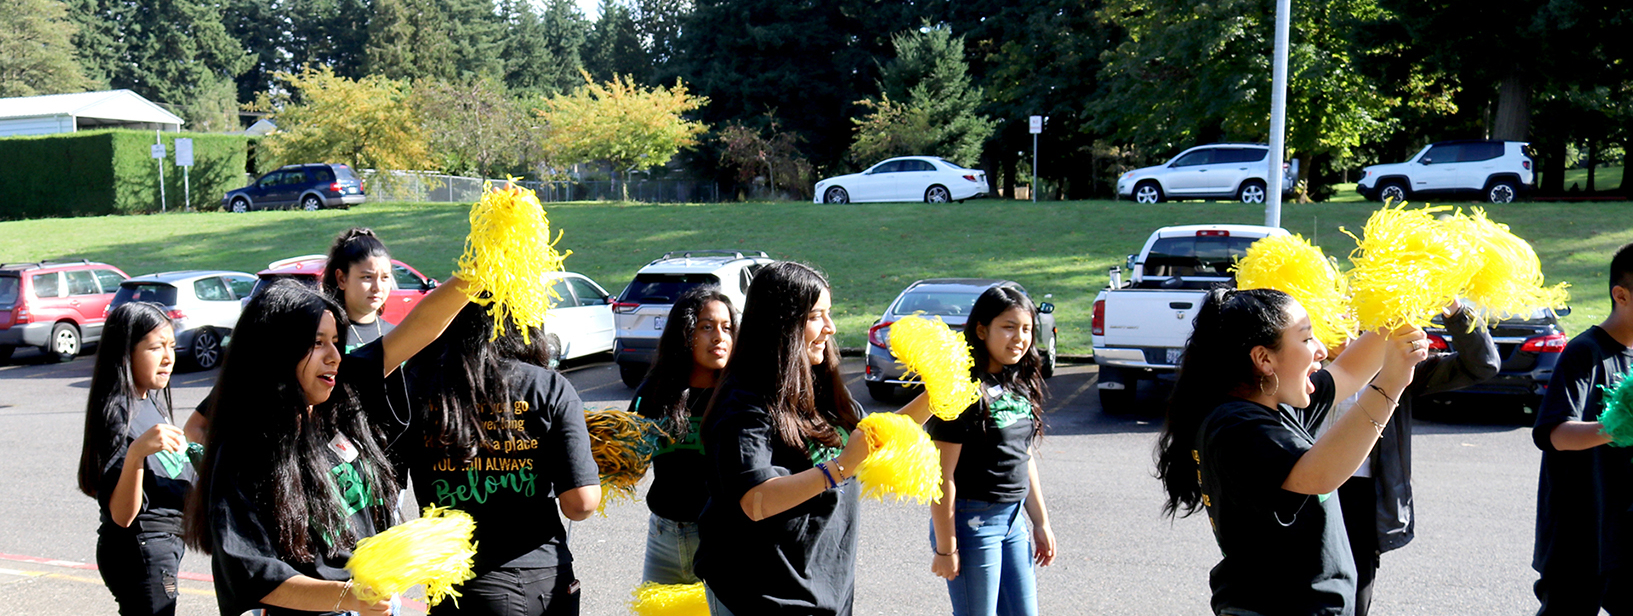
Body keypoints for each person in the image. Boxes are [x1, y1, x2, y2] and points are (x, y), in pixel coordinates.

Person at [183, 276, 470, 616]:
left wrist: (479, 272)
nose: (335, 356)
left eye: (335, 341)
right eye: (317, 343)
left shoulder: (340, 395)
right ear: (276, 352)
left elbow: (421, 326)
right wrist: (347, 597)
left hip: (371, 601)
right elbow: (252, 574)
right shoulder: (244, 452)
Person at [1155, 288, 1428, 615]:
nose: (1321, 350)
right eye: (1307, 339)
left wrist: (1402, 300)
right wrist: (1392, 382)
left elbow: (1348, 372)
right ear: (1264, 359)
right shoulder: (1235, 425)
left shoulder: (1274, 405)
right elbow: (1319, 475)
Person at [694, 261, 929, 616]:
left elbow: (876, 438)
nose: (830, 328)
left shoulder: (821, 387)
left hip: (824, 589)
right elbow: (755, 501)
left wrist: (938, 397)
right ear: (781, 323)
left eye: (828, 314)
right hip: (760, 594)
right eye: (816, 316)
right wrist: (840, 467)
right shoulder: (742, 403)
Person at [396, 303, 602, 616]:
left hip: (457, 583)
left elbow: (385, 489)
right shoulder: (547, 386)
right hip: (542, 578)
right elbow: (581, 504)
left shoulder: (415, 384)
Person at [1336, 298, 1498, 616]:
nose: (1344, 328)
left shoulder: (1393, 369)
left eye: (1351, 319)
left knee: (1353, 601)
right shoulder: (1302, 371)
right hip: (1305, 493)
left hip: (1362, 499)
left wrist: (1454, 310)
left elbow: (1482, 364)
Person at [925, 284, 1056, 616]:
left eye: (1026, 329)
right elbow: (941, 476)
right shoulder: (960, 390)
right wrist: (946, 548)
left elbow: (1023, 457)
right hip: (972, 523)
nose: (1020, 338)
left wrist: (1040, 522)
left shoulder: (1018, 382)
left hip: (1013, 520)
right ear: (982, 330)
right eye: (1009, 327)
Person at [1531, 242, 1633, 615]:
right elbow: (1555, 434)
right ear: (1621, 295)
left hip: (1624, 531)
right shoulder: (1584, 351)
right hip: (1579, 531)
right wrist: (1616, 426)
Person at [76, 302, 189, 616]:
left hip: (163, 545)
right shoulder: (116, 414)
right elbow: (122, 516)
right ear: (126, 353)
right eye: (155, 348)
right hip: (140, 550)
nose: (168, 357)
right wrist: (137, 453)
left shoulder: (149, 400)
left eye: (171, 346)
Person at [628, 285, 737, 586]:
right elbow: (629, 463)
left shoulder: (739, 396)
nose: (719, 337)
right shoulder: (654, 393)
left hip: (723, 539)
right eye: (707, 327)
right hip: (663, 536)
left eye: (727, 328)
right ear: (685, 332)